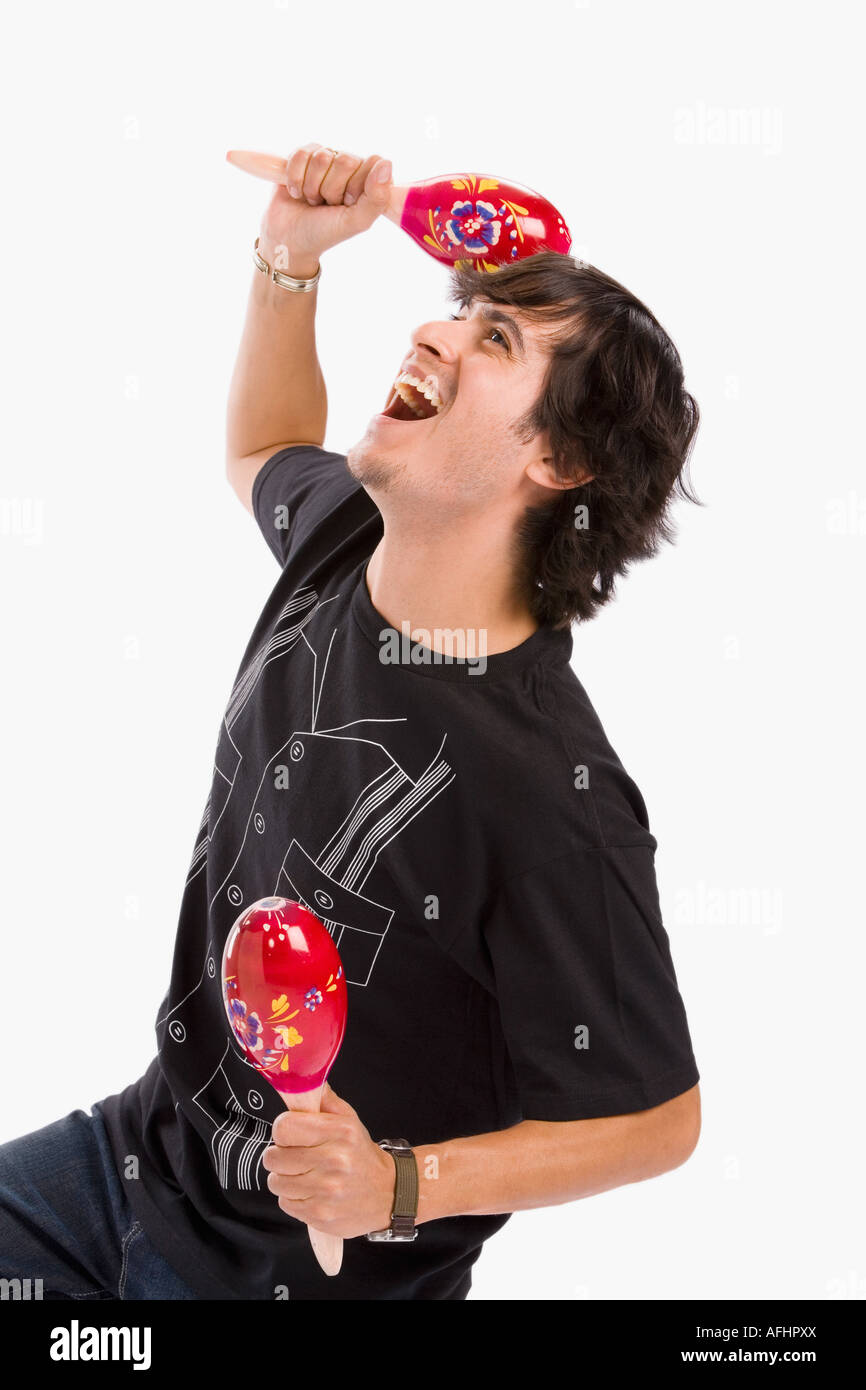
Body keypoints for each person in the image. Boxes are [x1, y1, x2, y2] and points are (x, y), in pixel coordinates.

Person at [0, 142, 702, 1301]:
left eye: (495, 341)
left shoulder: (548, 793)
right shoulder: (345, 537)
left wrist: (397, 1185)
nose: (433, 332)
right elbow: (260, 444)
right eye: (460, 311)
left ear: (559, 458)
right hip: (134, 1161)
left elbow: (656, 1120)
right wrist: (289, 260)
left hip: (296, 1281)